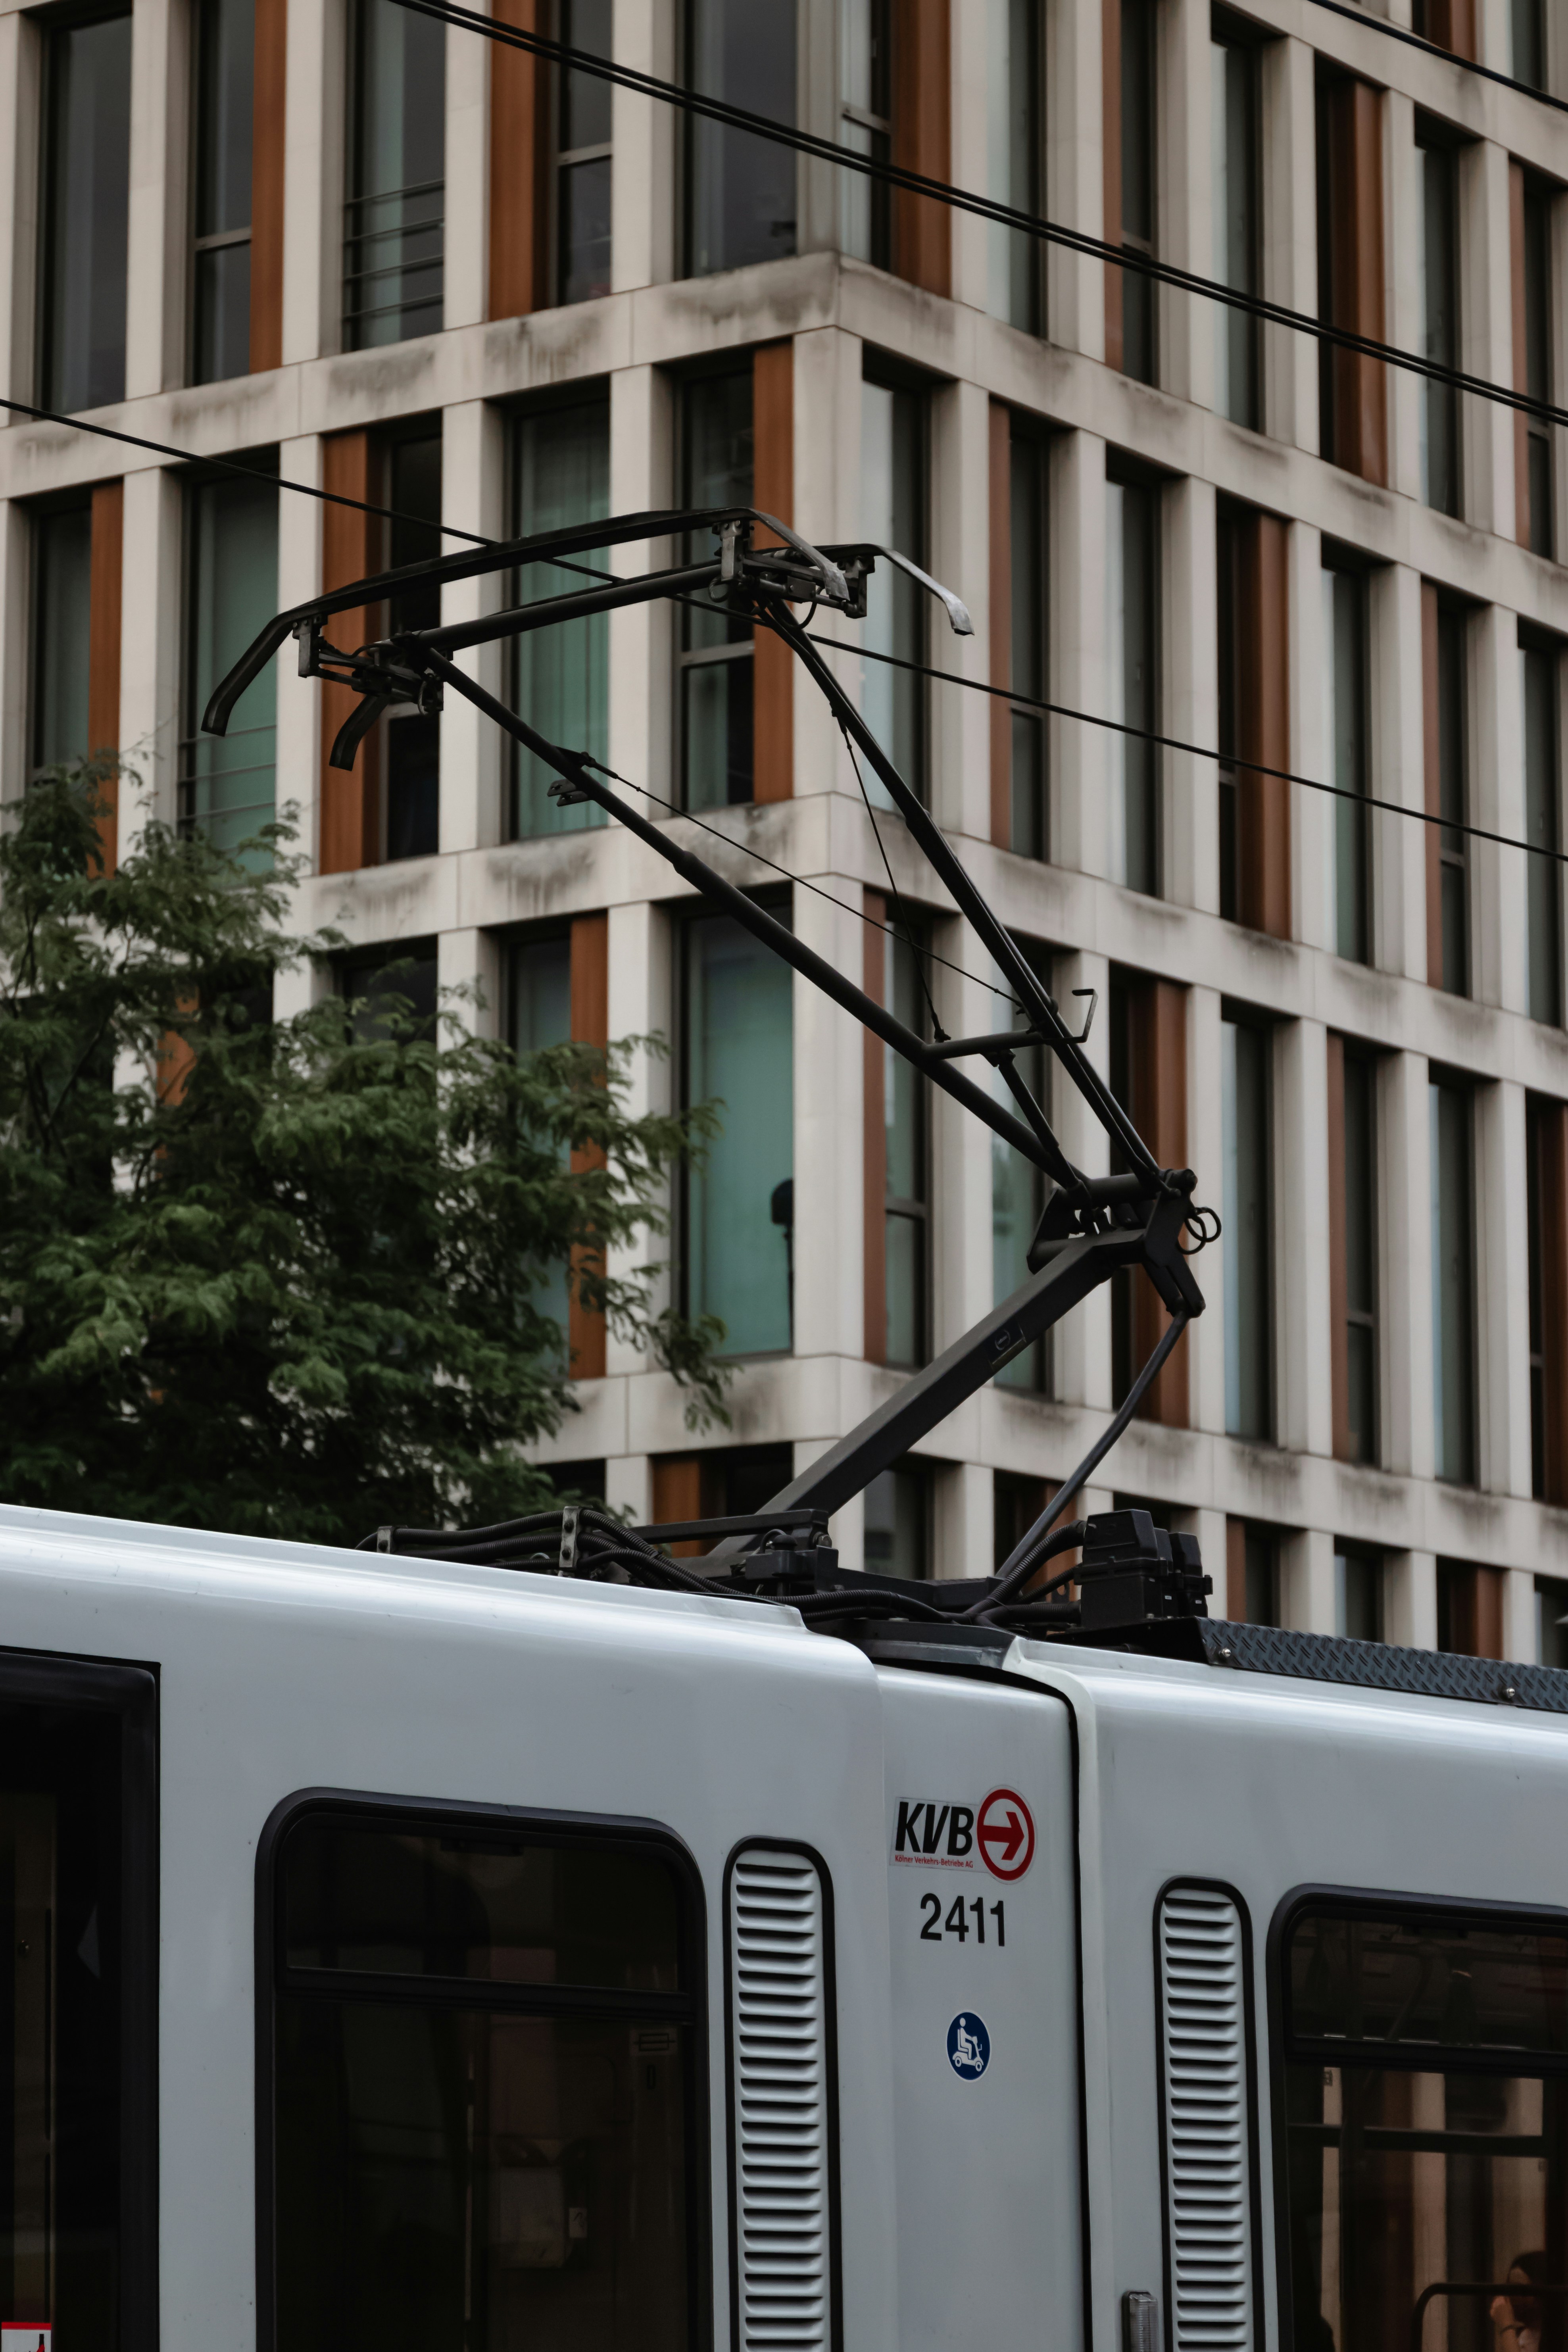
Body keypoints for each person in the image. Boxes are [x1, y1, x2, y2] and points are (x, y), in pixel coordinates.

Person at [1491, 2250, 1549, 2352]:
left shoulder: (1558, 2338)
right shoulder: (1524, 2336)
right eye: (1510, 2288)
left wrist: (1506, 2326)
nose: (1512, 2297)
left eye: (1520, 2290)